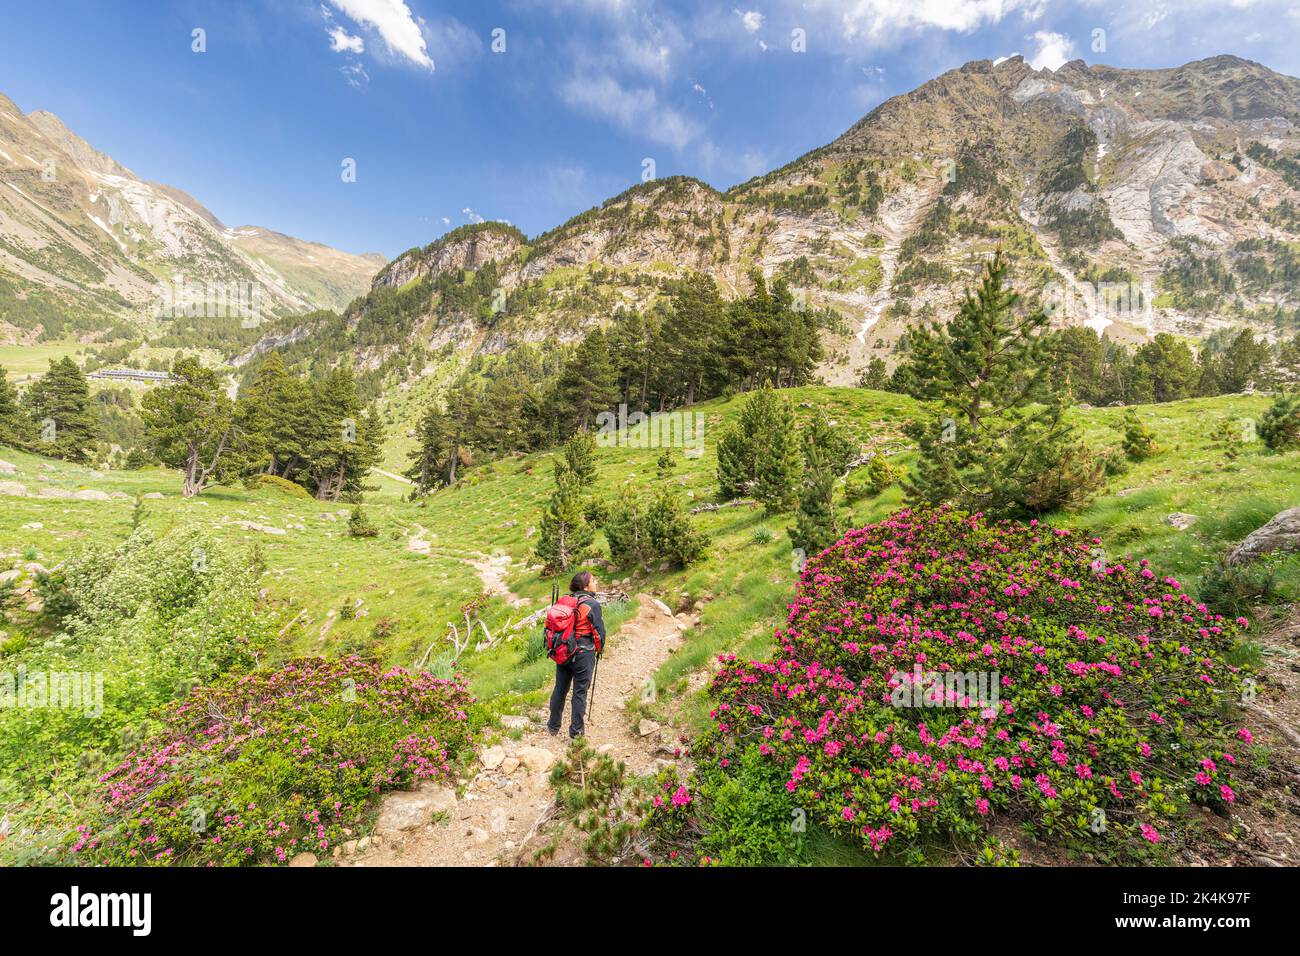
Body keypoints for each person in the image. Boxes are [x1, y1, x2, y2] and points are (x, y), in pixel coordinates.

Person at [547, 570, 605, 739]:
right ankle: (576, 732)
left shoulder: (566, 600)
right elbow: (599, 631)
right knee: (580, 692)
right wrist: (599, 649)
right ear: (586, 586)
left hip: (563, 651)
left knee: (560, 689)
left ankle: (553, 726)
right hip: (583, 654)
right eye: (593, 580)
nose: (596, 582)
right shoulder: (591, 604)